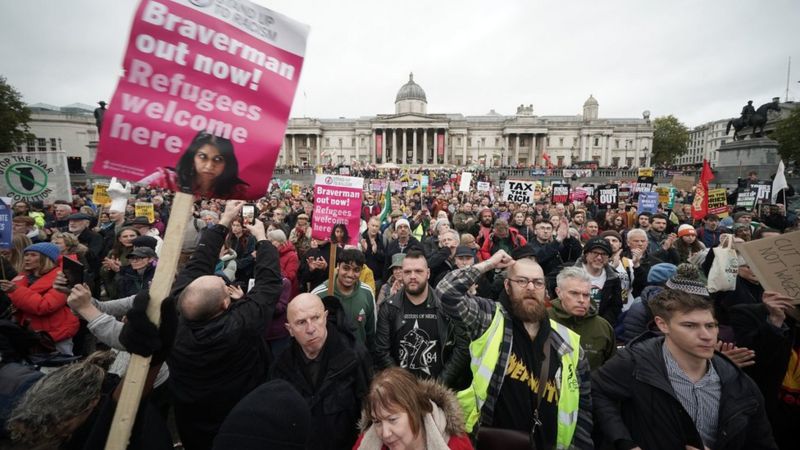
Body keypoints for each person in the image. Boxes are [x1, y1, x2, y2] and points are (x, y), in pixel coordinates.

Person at [435, 250, 593, 449]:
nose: (530, 287)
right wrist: (488, 264)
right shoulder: (489, 319)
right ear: (507, 286)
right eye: (521, 281)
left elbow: (583, 407)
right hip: (491, 441)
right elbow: (445, 292)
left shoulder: (567, 342)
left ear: (546, 290)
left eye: (537, 282)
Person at [592, 288, 777, 449]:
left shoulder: (738, 383)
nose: (706, 336)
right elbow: (598, 391)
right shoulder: (635, 363)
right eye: (690, 326)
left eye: (711, 326)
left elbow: (761, 442)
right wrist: (624, 442)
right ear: (663, 324)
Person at [167, 201, 282, 450]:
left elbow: (197, 264)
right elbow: (269, 285)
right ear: (224, 305)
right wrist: (262, 239)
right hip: (240, 420)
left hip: (193, 422)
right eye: (224, 289)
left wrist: (222, 222)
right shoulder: (241, 326)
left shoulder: (174, 317)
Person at [271, 293, 373, 450]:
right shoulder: (281, 366)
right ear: (289, 329)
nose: (311, 329)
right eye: (301, 322)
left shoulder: (354, 356)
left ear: (325, 317)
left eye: (316, 318)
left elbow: (368, 412)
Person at [374, 249, 470, 389]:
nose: (412, 276)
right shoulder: (389, 308)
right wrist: (403, 386)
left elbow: (462, 348)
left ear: (428, 273)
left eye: (418, 271)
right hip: (402, 392)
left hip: (439, 392)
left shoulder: (445, 306)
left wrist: (439, 385)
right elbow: (382, 351)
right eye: (407, 272)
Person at [354, 367, 473, 450]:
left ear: (415, 410)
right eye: (377, 421)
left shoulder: (455, 443)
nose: (385, 433)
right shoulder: (367, 442)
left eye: (392, 419)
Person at [0, 243, 79, 355]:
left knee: (59, 369)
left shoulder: (62, 279)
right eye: (26, 255)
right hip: (31, 335)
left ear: (46, 259)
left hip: (54, 335)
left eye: (33, 255)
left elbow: (45, 306)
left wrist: (16, 291)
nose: (27, 258)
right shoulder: (23, 277)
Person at [139, 131, 248, 198]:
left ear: (227, 162)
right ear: (193, 157)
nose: (209, 166)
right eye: (202, 157)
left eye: (218, 159)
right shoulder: (164, 179)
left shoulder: (238, 192)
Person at [548, 267, 615, 370]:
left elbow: (611, 369)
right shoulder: (542, 320)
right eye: (574, 293)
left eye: (586, 295)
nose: (581, 300)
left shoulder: (603, 328)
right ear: (559, 292)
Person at [311, 248, 377, 352]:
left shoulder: (367, 293)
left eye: (356, 270)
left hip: (359, 358)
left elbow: (371, 332)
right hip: (330, 360)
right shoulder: (318, 295)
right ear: (338, 266)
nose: (350, 274)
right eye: (346, 268)